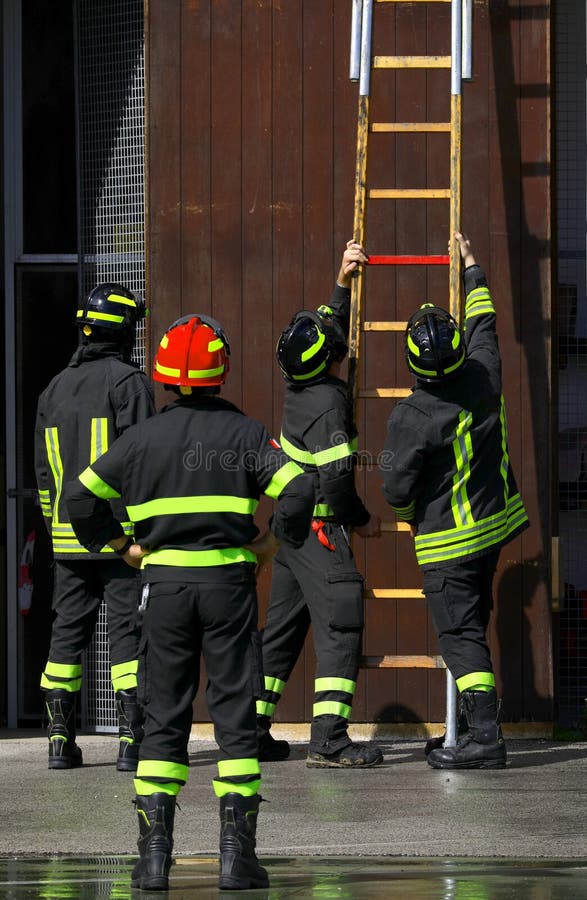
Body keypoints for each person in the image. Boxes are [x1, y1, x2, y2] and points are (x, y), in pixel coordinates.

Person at [65, 312, 314, 892]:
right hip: (230, 589)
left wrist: (124, 547)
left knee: (163, 718)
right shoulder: (248, 436)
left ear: (164, 375)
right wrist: (270, 542)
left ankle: (154, 861)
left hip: (164, 591)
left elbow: (80, 497)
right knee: (234, 719)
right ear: (219, 371)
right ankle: (236, 859)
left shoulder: (141, 439)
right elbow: (300, 488)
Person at [380, 232, 530, 770]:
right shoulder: (485, 373)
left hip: (447, 543)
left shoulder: (412, 416)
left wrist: (406, 518)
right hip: (492, 529)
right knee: (475, 624)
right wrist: (472, 269)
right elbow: (484, 323)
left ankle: (484, 738)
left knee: (460, 636)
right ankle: (465, 728)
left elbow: (395, 487)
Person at [256, 240, 383, 769]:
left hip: (291, 530)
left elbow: (325, 330)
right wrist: (362, 520)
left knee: (281, 632)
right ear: (326, 364)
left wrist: (342, 280)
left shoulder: (298, 380)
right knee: (341, 627)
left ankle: (250, 729)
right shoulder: (330, 406)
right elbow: (335, 483)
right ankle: (329, 738)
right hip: (323, 530)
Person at [35, 283, 155, 772]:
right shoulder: (129, 383)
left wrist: (57, 529)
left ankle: (59, 743)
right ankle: (132, 744)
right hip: (124, 542)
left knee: (66, 638)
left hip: (68, 540)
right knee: (127, 636)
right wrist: (144, 533)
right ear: (125, 331)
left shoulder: (52, 389)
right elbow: (145, 464)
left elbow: (45, 473)